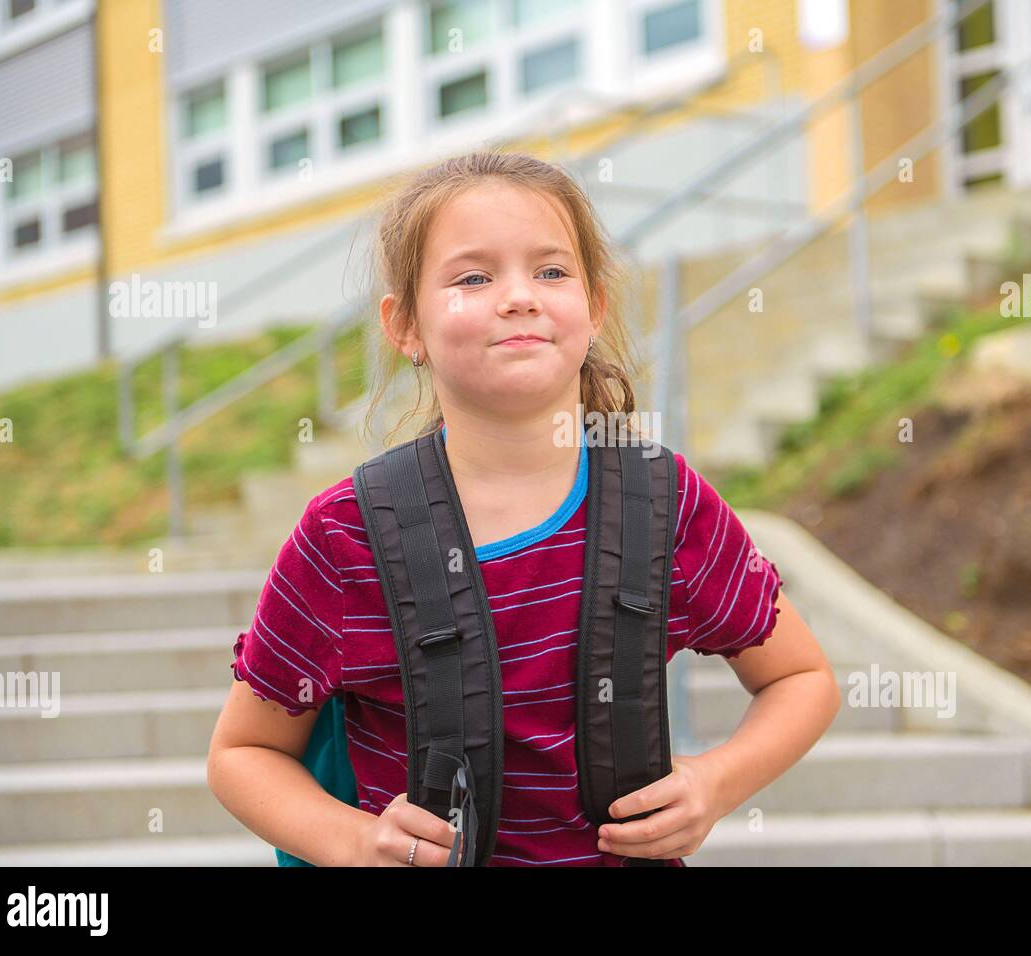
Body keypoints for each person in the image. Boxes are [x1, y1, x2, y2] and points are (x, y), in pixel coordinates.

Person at [207, 151, 839, 867]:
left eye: (551, 271)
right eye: (474, 277)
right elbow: (244, 751)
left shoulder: (666, 504)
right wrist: (352, 841)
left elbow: (802, 679)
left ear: (595, 307)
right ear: (405, 325)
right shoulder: (343, 535)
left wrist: (715, 783)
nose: (520, 297)